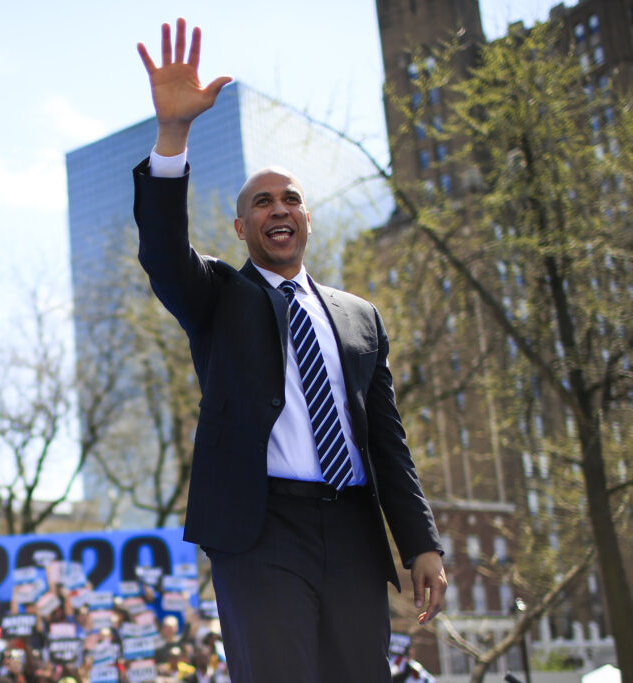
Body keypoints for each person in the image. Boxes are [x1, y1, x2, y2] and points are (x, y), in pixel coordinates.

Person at [133, 19, 448, 683]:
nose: (280, 208)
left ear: (307, 218)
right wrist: (173, 136)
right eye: (263, 201)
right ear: (242, 226)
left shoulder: (361, 318)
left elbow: (388, 444)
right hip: (261, 528)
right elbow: (163, 254)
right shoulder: (219, 297)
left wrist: (419, 542)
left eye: (292, 199)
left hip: (355, 532)